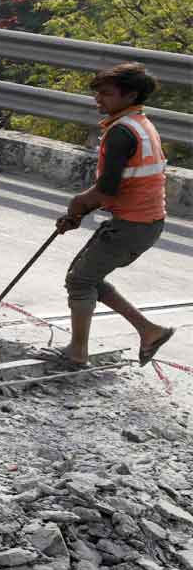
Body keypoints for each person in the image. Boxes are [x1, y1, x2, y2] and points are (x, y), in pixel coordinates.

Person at [51, 63, 176, 368]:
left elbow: (106, 190)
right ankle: (150, 331)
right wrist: (80, 212)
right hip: (144, 222)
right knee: (89, 279)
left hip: (132, 225)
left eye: (106, 94)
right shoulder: (139, 123)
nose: (98, 100)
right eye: (98, 94)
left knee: (79, 282)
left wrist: (78, 204)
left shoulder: (122, 132)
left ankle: (77, 354)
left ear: (130, 95)